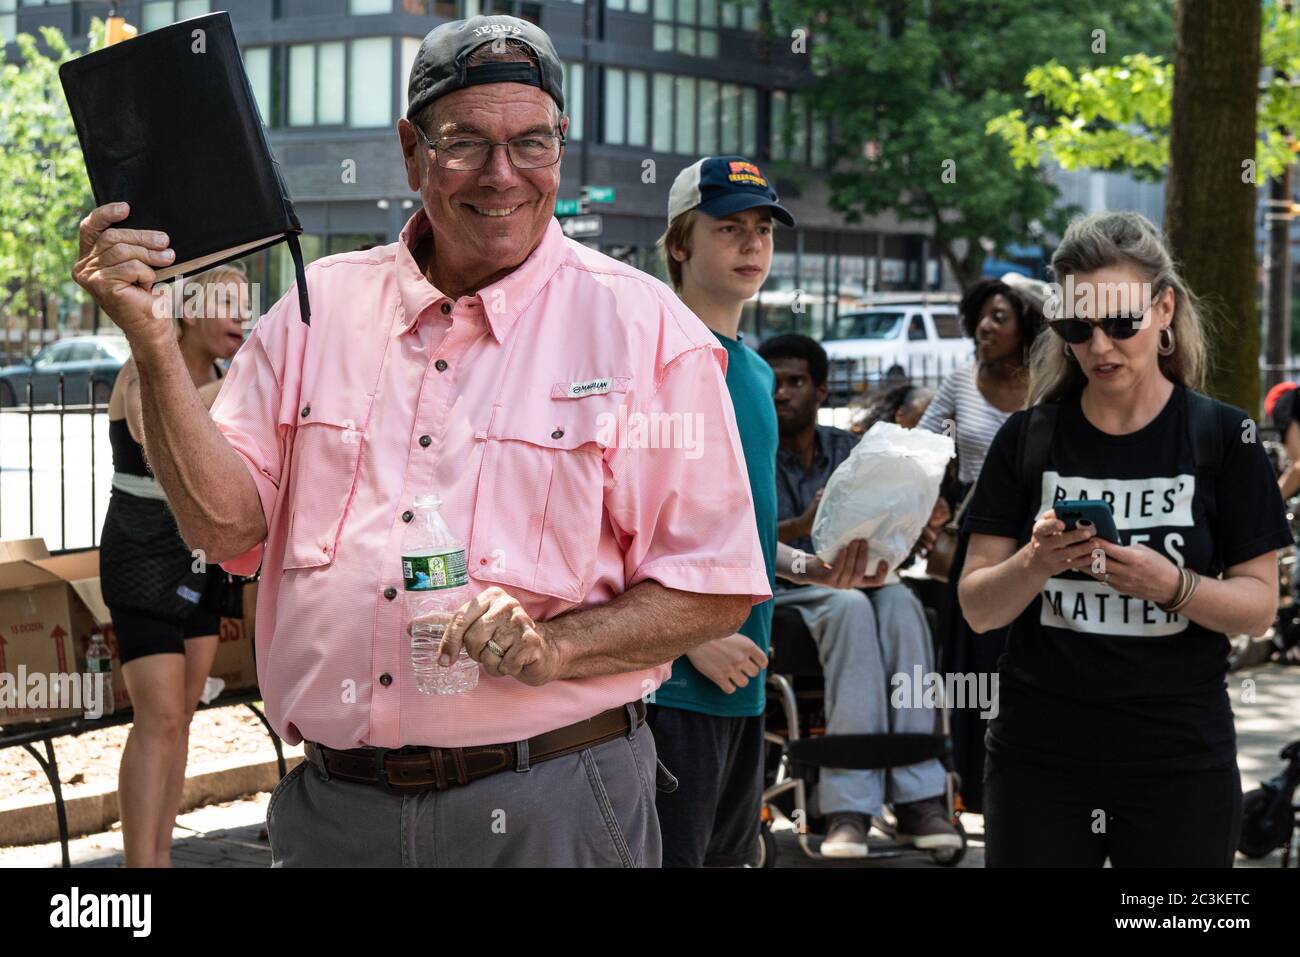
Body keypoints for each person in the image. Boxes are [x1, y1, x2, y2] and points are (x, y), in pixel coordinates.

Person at [72, 14, 768, 868]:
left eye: (532, 142)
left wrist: (560, 644)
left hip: (553, 804)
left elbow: (714, 585)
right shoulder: (315, 308)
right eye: (465, 142)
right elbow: (223, 528)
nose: (502, 175)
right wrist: (152, 345)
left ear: (562, 144)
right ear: (411, 150)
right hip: (338, 814)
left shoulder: (644, 329)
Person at [959, 211, 1290, 867]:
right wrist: (1036, 559)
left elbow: (1259, 607)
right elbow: (976, 606)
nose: (1100, 346)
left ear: (1164, 307)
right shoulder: (1027, 439)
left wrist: (1170, 584)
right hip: (1040, 758)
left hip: (1179, 759)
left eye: (1121, 323)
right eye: (1078, 327)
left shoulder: (1223, 438)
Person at [758, 333, 961, 858]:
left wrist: (915, 523)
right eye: (774, 382)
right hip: (784, 596)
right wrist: (803, 525)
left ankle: (922, 796)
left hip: (866, 587)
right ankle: (850, 806)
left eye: (796, 382)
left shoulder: (855, 452)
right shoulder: (752, 454)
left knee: (901, 604)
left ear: (821, 390)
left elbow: (892, 527)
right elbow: (743, 539)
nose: (782, 393)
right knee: (850, 606)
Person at [98, 262, 248, 866]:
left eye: (247, 305)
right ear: (188, 311)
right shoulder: (142, 367)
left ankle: (159, 854)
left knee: (182, 715)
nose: (243, 317)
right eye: (229, 304)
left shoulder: (224, 375)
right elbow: (146, 422)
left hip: (200, 559)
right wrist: (249, 374)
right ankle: (141, 869)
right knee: (156, 715)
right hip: (140, 559)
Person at [917, 275, 1044, 812]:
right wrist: (925, 506)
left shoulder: (1051, 385)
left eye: (1001, 317)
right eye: (982, 316)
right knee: (971, 671)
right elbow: (919, 453)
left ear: (1028, 327)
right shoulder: (959, 384)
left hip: (1042, 541)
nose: (985, 327)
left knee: (1031, 666)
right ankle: (976, 787)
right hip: (976, 537)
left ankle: (1032, 790)